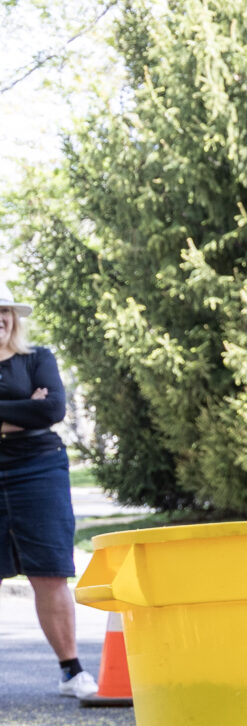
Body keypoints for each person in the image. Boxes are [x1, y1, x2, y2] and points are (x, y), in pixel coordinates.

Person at [0, 286, 91, 698]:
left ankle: (72, 672)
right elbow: (36, 410)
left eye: (5, 311)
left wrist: (27, 412)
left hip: (39, 466)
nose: (1, 318)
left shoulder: (38, 358)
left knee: (50, 571)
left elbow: (52, 410)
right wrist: (24, 410)